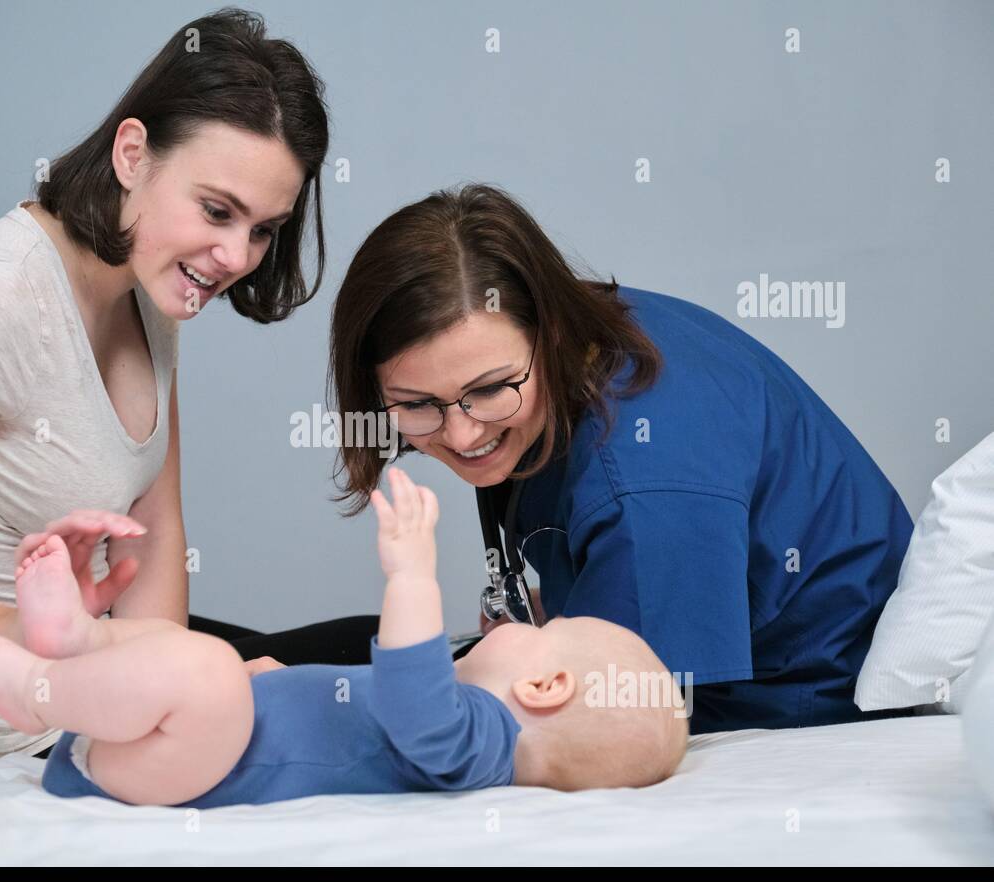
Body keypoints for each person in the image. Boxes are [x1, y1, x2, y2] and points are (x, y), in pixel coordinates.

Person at [0, 9, 365, 758]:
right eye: (217, 210)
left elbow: (155, 531)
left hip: (96, 683)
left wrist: (164, 687)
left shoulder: (153, 286)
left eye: (264, 228)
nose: (237, 255)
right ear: (133, 154)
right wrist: (26, 630)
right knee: (331, 697)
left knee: (374, 654)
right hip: (0, 726)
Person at [328, 183, 917, 733]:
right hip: (689, 628)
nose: (459, 435)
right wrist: (575, 595)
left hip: (792, 702)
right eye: (418, 403)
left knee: (342, 696)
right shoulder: (577, 325)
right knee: (329, 654)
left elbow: (618, 719)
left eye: (489, 390)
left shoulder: (649, 487)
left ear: (550, 332)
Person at [0, 467, 687, 807]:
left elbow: (413, 705)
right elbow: (357, 715)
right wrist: (276, 693)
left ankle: (36, 694)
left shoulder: (479, 747)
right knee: (200, 663)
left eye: (544, 629)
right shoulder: (471, 729)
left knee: (206, 672)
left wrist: (412, 579)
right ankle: (76, 641)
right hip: (176, 753)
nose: (524, 622)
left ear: (544, 687)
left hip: (189, 771)